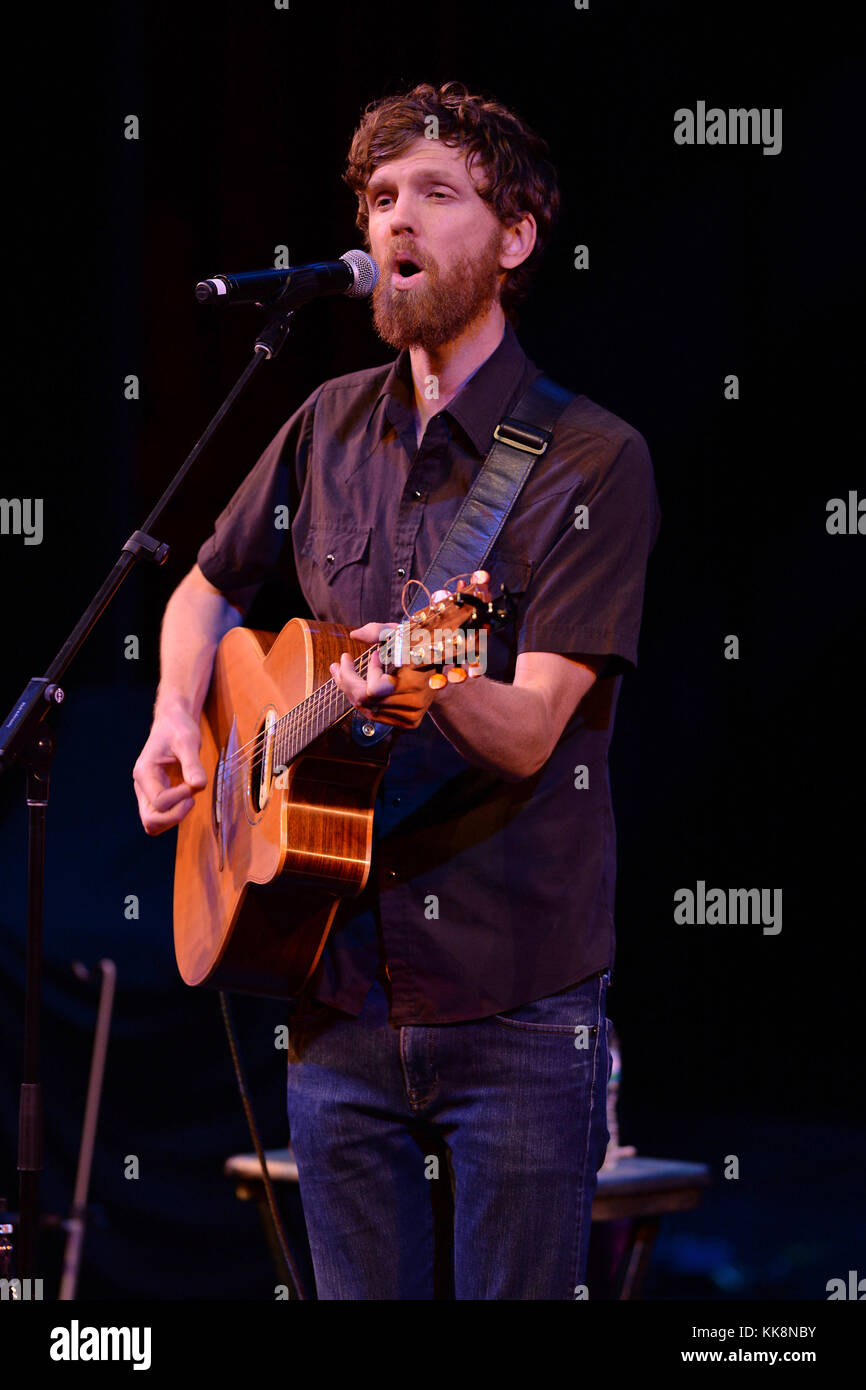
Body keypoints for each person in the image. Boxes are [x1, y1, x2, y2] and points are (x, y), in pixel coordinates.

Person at [132, 80, 661, 1300]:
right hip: (334, 988)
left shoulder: (589, 456)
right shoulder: (322, 423)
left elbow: (528, 728)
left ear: (514, 237)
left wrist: (428, 683)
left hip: (513, 999)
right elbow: (201, 591)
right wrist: (175, 715)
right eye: (379, 198)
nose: (395, 223)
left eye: (436, 194)